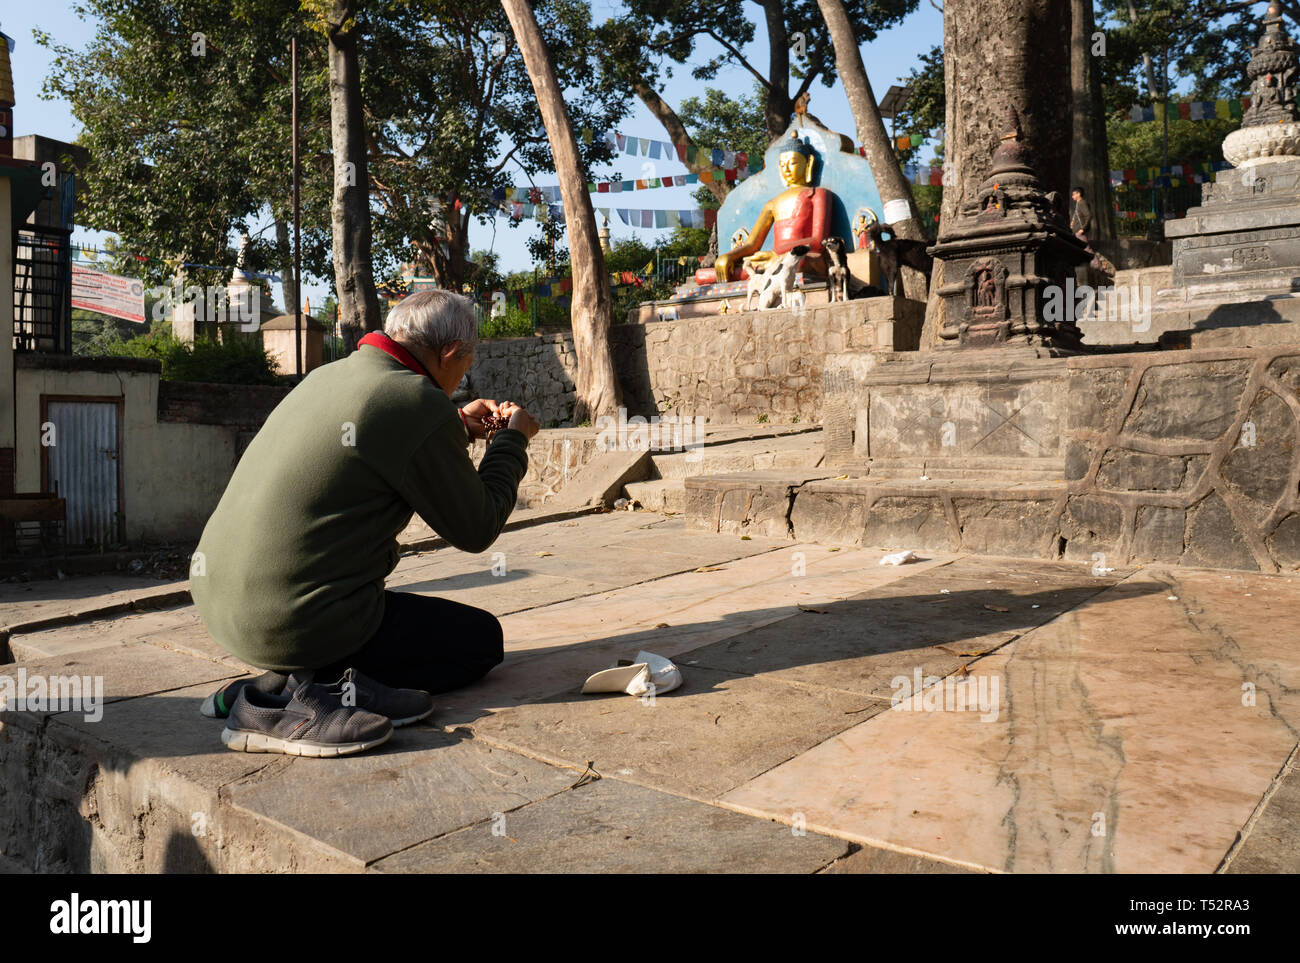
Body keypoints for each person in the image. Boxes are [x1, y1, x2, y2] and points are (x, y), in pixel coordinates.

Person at [190, 289, 540, 757]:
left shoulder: (327, 376)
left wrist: (453, 423)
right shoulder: (416, 400)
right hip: (297, 620)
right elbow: (476, 528)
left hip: (223, 605)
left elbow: (380, 439)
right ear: (450, 352)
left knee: (390, 618)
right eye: (465, 363)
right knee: (480, 641)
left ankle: (284, 676)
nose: (462, 377)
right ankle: (288, 705)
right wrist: (511, 443)